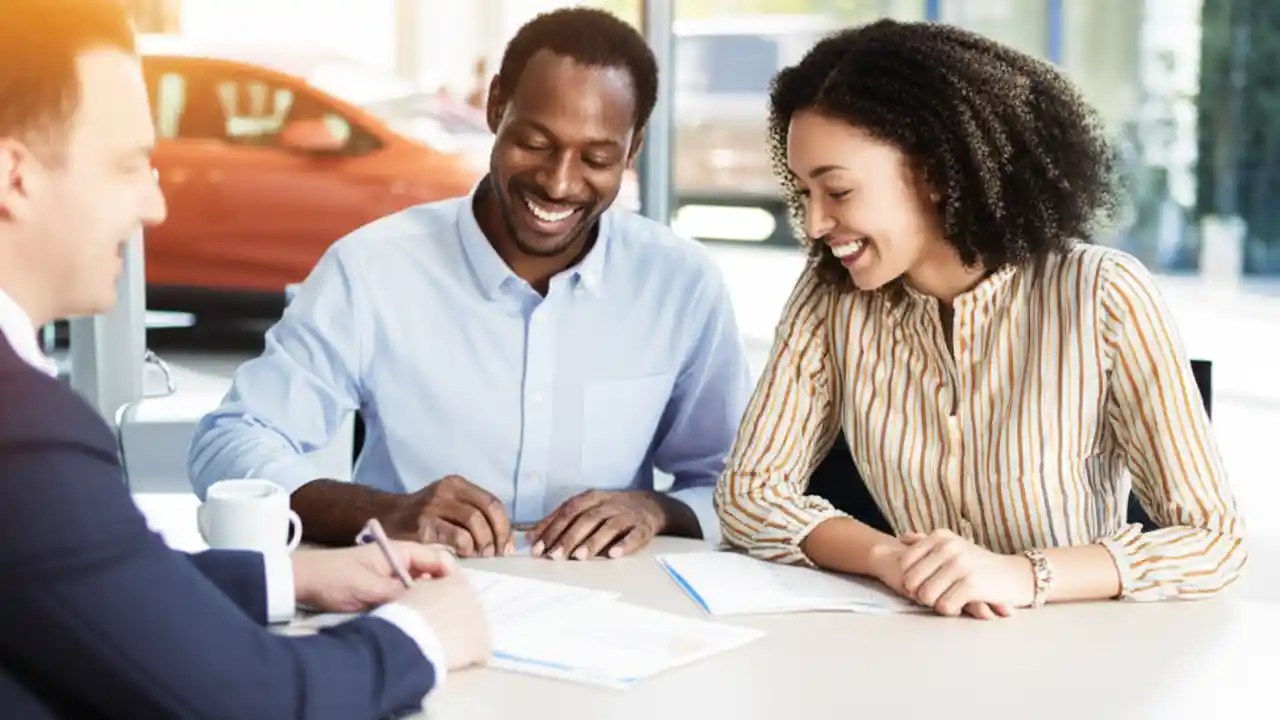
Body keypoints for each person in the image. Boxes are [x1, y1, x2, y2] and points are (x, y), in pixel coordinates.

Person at [0, 2, 489, 717]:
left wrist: (292, 577)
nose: (155, 205)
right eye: (129, 165)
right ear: (15, 176)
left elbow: (80, 578)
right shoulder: (24, 430)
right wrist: (423, 635)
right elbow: (248, 700)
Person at [714, 20, 1246, 619]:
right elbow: (748, 495)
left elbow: (1213, 540)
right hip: (915, 648)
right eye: (803, 192)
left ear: (938, 175)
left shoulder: (1102, 295)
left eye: (837, 192)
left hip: (1074, 657)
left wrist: (1023, 575)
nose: (812, 225)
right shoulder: (830, 297)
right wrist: (889, 558)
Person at [188, 8, 750, 561]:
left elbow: (733, 485)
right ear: (496, 106)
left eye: (596, 157)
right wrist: (384, 512)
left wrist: (654, 508)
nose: (558, 182)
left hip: (618, 615)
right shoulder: (374, 268)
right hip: (414, 602)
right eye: (535, 142)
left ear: (633, 149)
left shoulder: (680, 285)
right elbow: (230, 442)